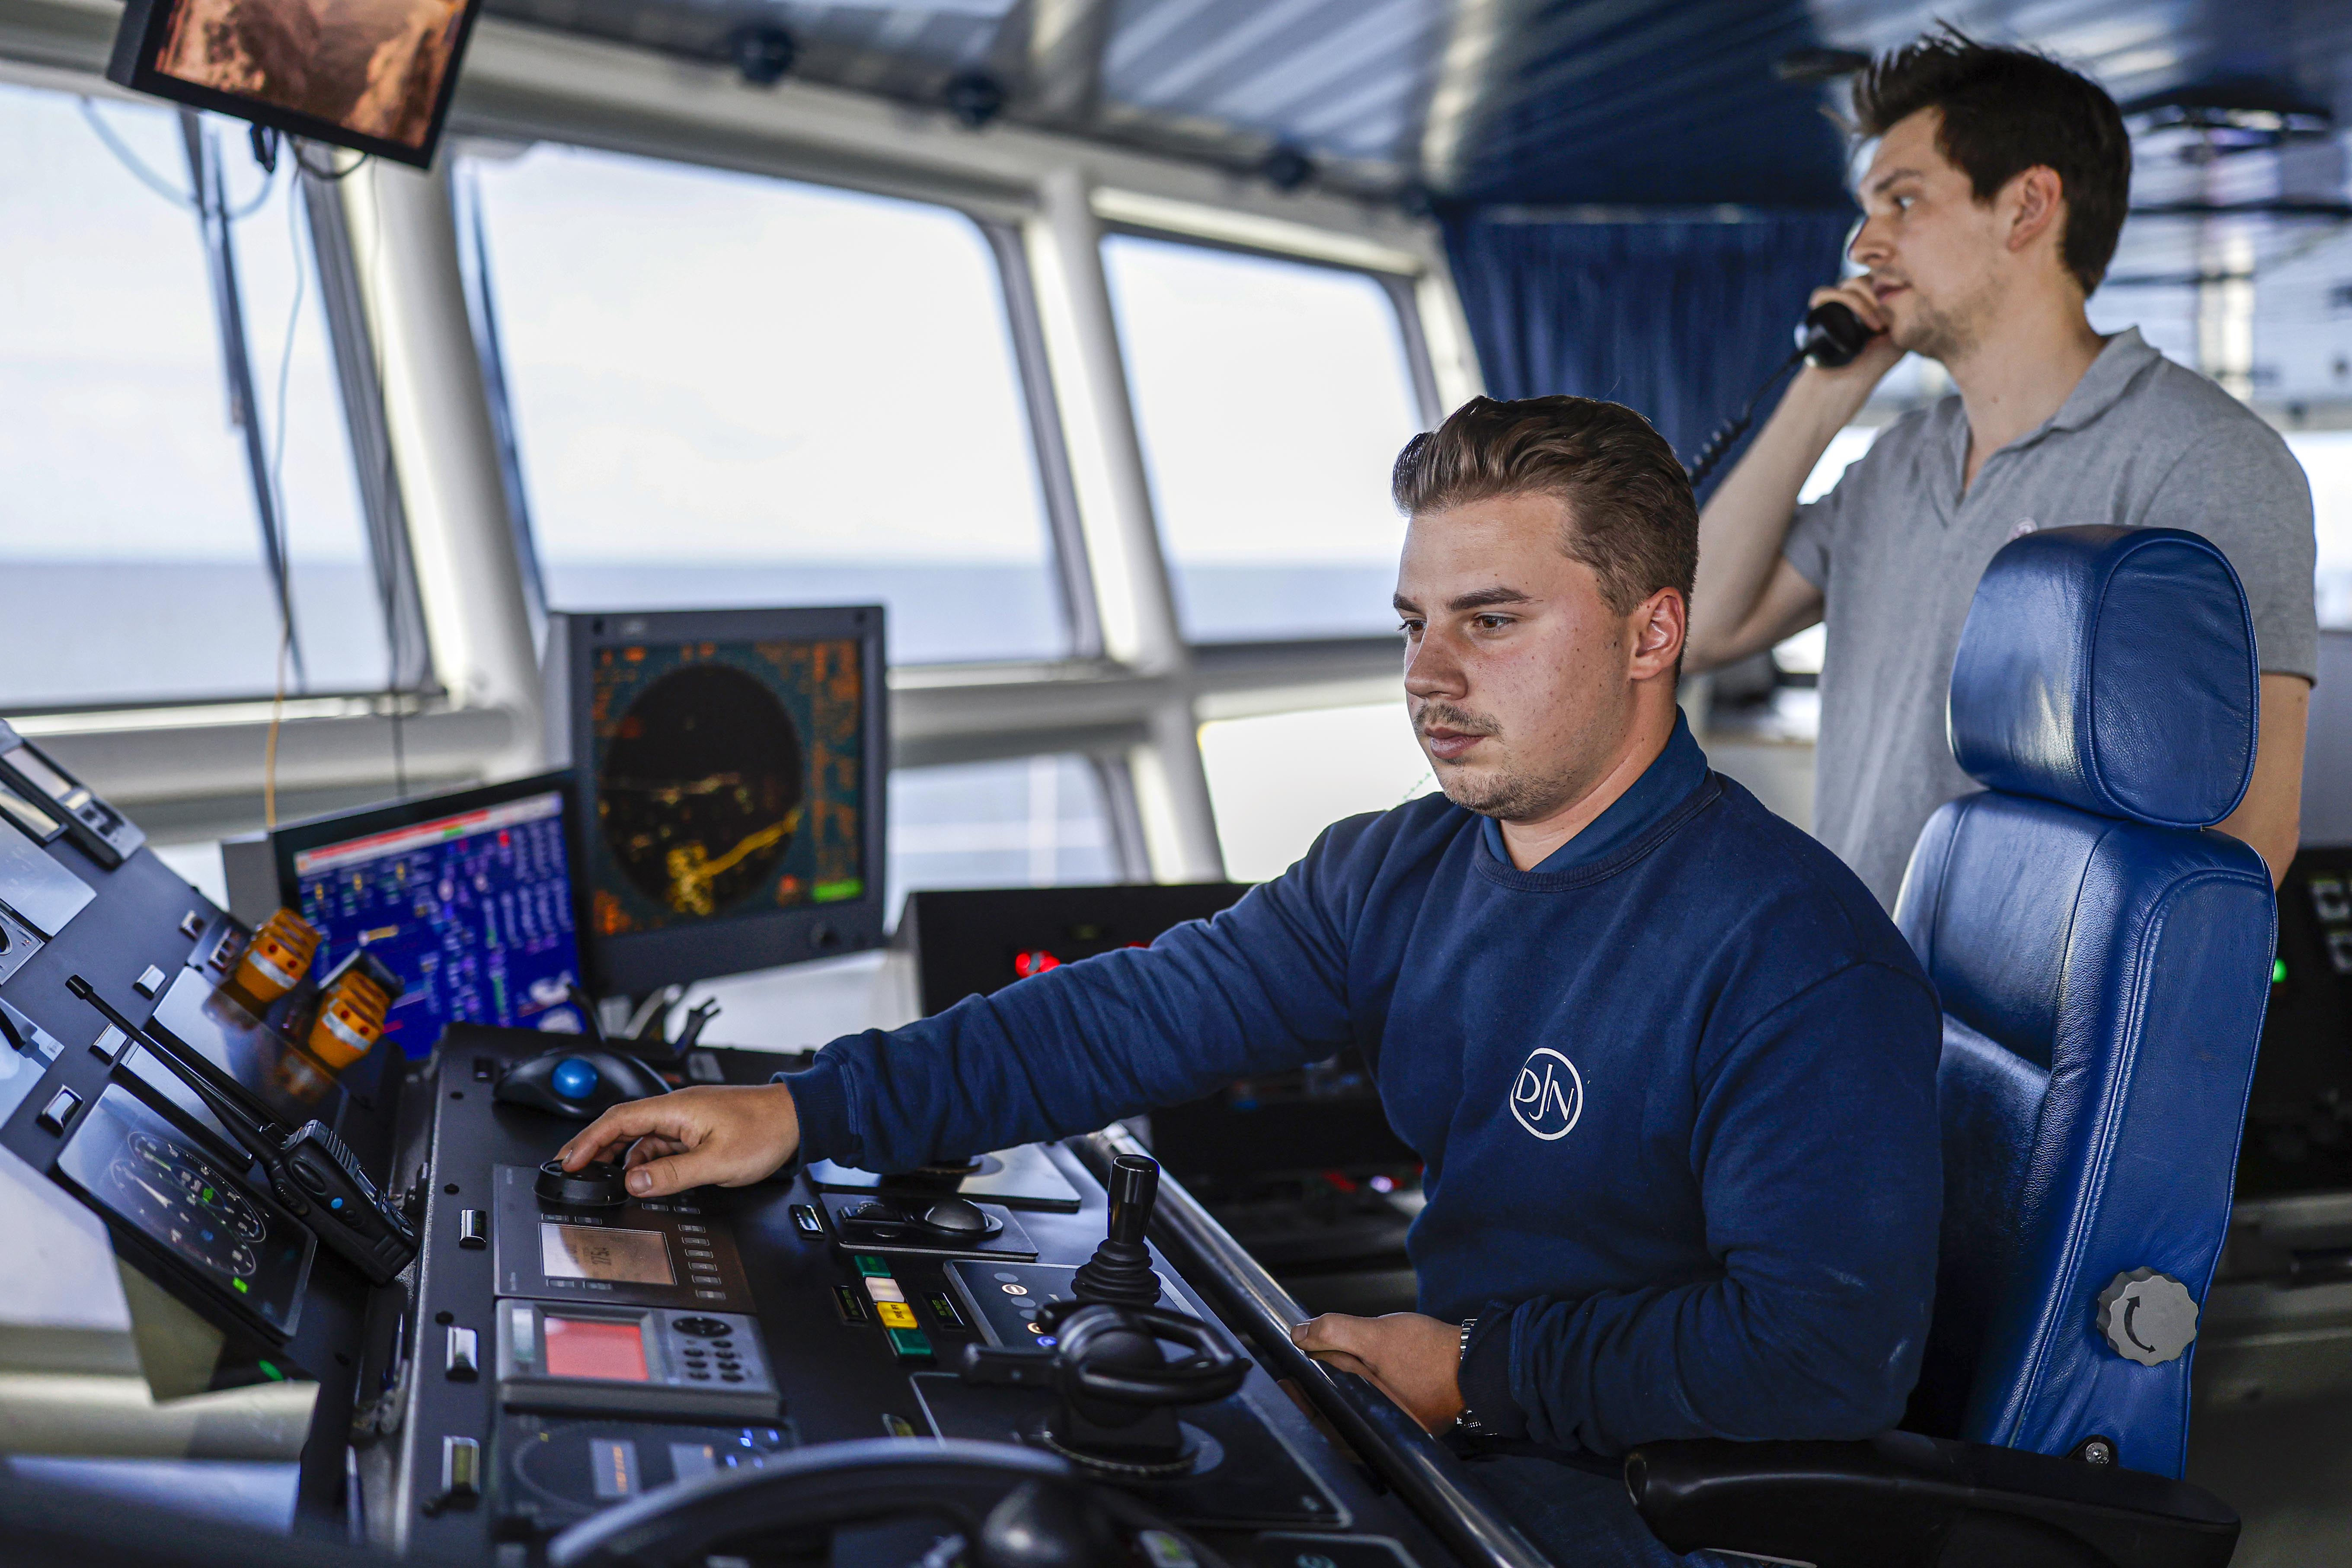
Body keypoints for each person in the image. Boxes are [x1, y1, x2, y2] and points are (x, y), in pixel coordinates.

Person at [559, 396, 1943, 1568]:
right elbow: (1132, 1013)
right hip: (1453, 1447)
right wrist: (807, 1108)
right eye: (1414, 623)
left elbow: (1823, 1355)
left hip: (1635, 1508)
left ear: (1652, 633)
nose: (1431, 675)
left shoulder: (1795, 956)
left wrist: (1475, 1369)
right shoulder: (1403, 868)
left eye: (1494, 620)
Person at [1686, 28, 2317, 909]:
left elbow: (2248, 833)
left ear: (2025, 207)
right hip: (1848, 993)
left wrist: (2059, 1043)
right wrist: (1821, 397)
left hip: (2012, 1034)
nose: (1863, 245)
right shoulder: (1896, 461)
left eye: (1901, 202)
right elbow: (1699, 624)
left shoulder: (2203, 458)